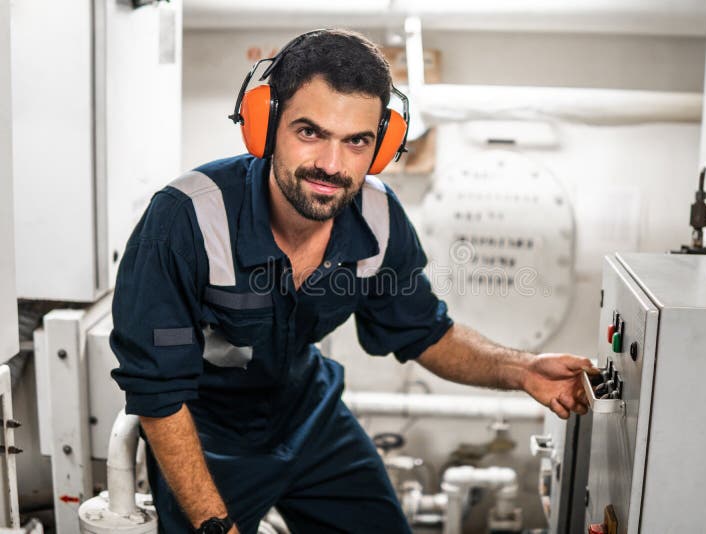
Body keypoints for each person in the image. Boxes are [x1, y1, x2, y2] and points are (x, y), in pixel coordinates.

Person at [110, 28, 595, 534]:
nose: (332, 165)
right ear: (266, 125)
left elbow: (426, 333)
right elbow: (159, 394)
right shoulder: (184, 221)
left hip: (310, 419)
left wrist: (523, 370)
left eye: (357, 141)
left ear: (381, 146)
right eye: (309, 132)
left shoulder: (379, 219)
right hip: (208, 437)